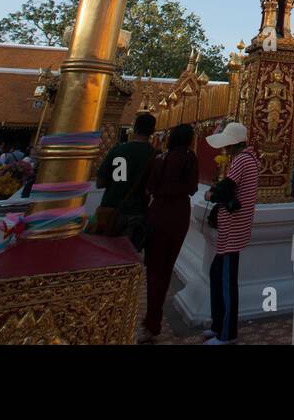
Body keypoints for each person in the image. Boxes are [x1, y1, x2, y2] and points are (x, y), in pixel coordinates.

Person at [138, 124, 199, 344]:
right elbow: (192, 188)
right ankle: (152, 320)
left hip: (159, 212)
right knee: (165, 267)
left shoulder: (160, 159)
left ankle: (151, 321)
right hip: (179, 214)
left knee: (155, 270)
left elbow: (149, 187)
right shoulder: (190, 159)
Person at [204, 121, 258, 345]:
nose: (224, 148)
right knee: (217, 275)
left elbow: (225, 189)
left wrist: (211, 194)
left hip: (233, 228)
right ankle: (218, 325)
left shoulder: (242, 160)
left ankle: (227, 334)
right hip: (234, 227)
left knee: (226, 282)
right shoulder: (250, 158)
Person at [91, 111, 157, 245]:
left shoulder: (118, 151)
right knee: (128, 255)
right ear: (153, 131)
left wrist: (119, 181)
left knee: (103, 252)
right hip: (137, 212)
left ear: (135, 129)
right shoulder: (155, 155)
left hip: (111, 208)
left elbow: (99, 182)